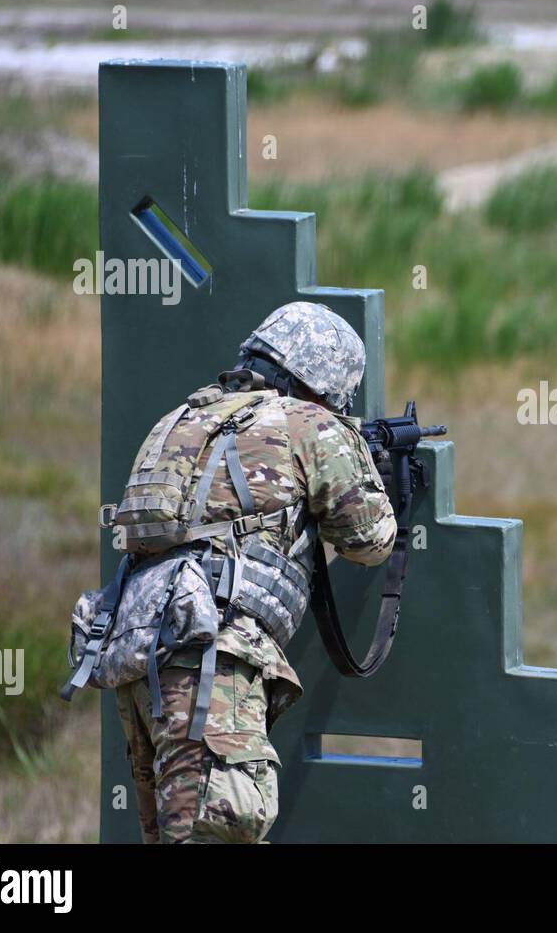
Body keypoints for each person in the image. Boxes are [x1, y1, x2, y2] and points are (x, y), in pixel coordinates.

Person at [110, 301, 396, 843]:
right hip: (211, 659)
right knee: (221, 831)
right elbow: (371, 541)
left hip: (142, 658)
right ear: (324, 384)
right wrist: (369, 468)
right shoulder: (306, 423)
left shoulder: (180, 419)